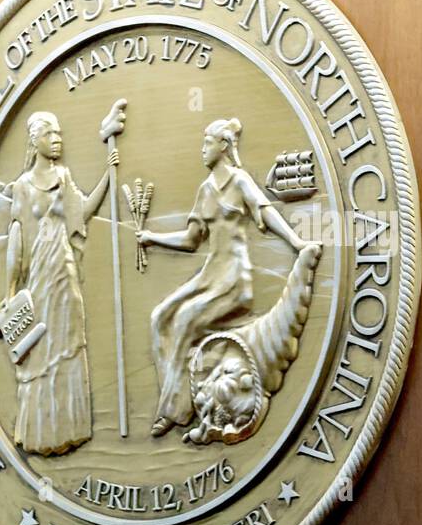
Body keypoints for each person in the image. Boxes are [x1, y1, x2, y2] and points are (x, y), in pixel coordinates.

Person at [136, 117, 320, 438]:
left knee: (183, 323)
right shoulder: (206, 189)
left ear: (223, 146)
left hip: (233, 280)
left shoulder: (240, 181)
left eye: (207, 143)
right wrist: (152, 237)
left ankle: (176, 411)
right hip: (209, 276)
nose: (202, 149)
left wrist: (297, 243)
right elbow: (192, 240)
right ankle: (178, 394)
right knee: (159, 318)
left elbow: (266, 213)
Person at [0, 111, 115, 455]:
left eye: (60, 134)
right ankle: (41, 434)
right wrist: (9, 292)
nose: (58, 139)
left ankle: (68, 429)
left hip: (65, 277)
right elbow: (16, 241)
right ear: (35, 141)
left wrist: (109, 172)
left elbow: (84, 212)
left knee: (69, 345)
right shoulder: (21, 187)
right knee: (40, 352)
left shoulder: (64, 178)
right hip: (40, 279)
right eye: (51, 134)